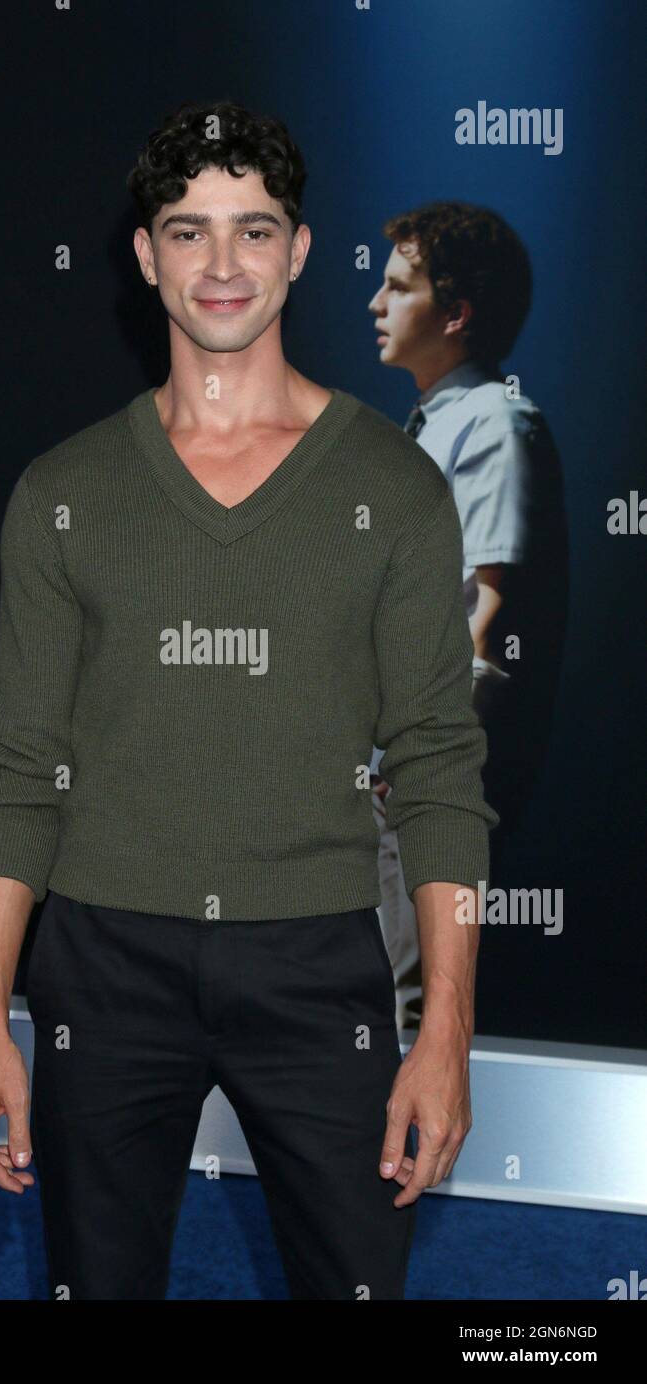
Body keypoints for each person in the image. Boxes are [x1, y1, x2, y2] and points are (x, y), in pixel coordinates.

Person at [0, 103, 498, 1301]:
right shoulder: (62, 491)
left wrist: (445, 1032)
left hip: (319, 963)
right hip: (101, 959)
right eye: (186, 231)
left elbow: (435, 766)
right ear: (144, 255)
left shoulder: (393, 489)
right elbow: (17, 767)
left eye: (251, 230)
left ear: (298, 251)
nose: (220, 265)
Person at [367, 201, 568, 1030]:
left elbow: (491, 620)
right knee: (370, 1011)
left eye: (398, 287)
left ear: (455, 313)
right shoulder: (434, 426)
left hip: (422, 785)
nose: (375, 304)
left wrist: (413, 778)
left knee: (403, 1019)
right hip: (388, 771)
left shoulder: (493, 422)